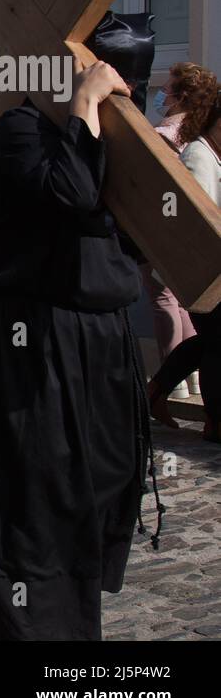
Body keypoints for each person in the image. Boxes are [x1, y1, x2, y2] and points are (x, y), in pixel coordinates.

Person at [0, 11, 159, 641]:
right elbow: (69, 194)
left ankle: (70, 620)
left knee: (103, 482)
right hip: (26, 342)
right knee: (35, 493)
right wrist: (83, 110)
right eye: (111, 82)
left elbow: (134, 240)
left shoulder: (115, 142)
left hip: (96, 342)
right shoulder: (20, 128)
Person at [148, 77, 221, 440]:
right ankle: (215, 420)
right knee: (217, 342)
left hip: (209, 272)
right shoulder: (199, 155)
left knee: (210, 341)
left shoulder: (211, 154)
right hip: (202, 272)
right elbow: (197, 221)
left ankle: (156, 390)